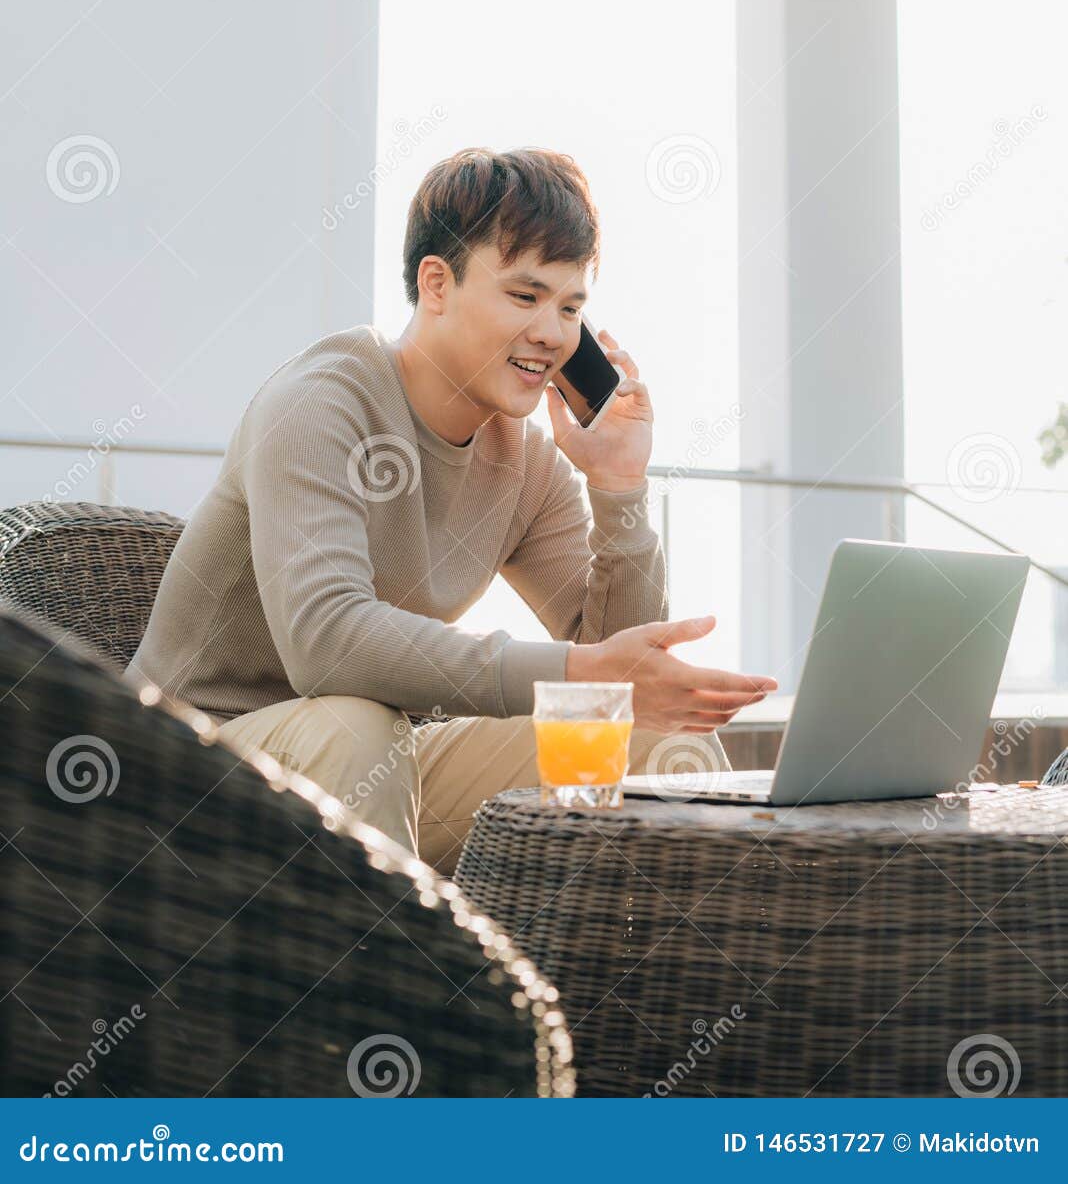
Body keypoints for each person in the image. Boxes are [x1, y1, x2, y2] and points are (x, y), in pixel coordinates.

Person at [124, 148, 776, 872]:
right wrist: (575, 671)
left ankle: (616, 982)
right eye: (525, 297)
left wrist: (618, 489)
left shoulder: (525, 461)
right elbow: (328, 644)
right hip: (187, 766)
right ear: (436, 283)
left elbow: (617, 673)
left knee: (647, 738)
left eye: (571, 307)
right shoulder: (321, 403)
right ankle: (399, 987)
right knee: (355, 726)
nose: (553, 335)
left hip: (377, 765)